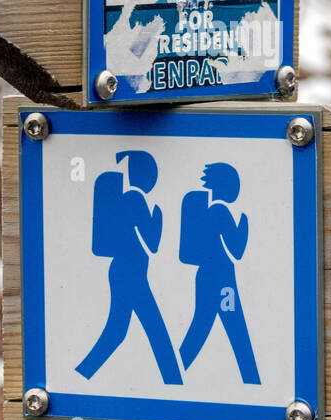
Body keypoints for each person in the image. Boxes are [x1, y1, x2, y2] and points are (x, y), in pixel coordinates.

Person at [77, 149, 182, 384]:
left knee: (117, 331)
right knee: (153, 328)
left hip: (126, 269)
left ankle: (82, 373)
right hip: (130, 271)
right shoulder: (135, 198)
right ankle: (174, 381)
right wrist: (159, 216)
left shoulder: (125, 198)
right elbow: (152, 242)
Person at [178, 162, 260, 384]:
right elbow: (237, 249)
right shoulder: (220, 210)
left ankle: (173, 374)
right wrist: (244, 223)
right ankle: (252, 379)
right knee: (232, 329)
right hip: (221, 276)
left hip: (207, 275)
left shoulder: (209, 210)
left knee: (205, 327)